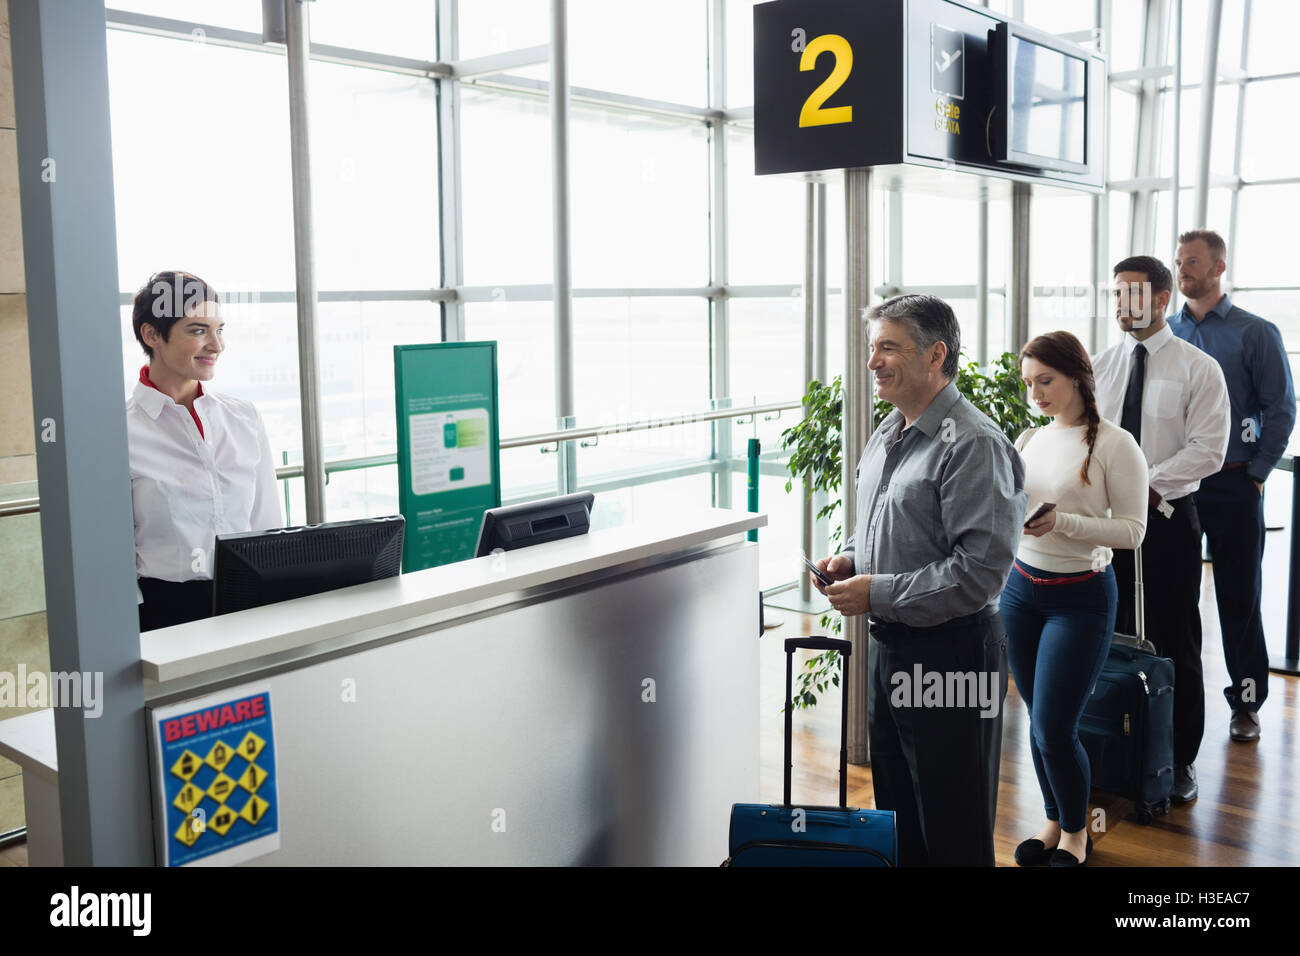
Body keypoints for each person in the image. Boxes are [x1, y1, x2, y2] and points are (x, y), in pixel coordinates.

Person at [812, 294, 1026, 867]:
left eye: (888, 347)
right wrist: (851, 560)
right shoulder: (889, 432)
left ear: (935, 355)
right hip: (892, 648)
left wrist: (876, 590)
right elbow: (881, 529)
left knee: (952, 825)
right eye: (871, 347)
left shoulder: (975, 444)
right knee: (899, 814)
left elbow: (977, 574)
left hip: (954, 654)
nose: (873, 361)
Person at [1003, 331, 1148, 867]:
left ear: (1076, 377)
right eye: (1029, 383)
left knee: (1054, 728)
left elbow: (1133, 531)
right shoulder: (1028, 439)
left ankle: (1076, 834)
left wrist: (1060, 522)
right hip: (1021, 592)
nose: (1035, 394)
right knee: (1038, 721)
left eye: (1045, 381)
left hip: (1079, 598)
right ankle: (1053, 817)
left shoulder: (1114, 443)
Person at [1092, 255, 1230, 804]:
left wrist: (1145, 483)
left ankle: (1178, 759)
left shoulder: (1199, 368)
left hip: (1169, 521)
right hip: (1105, 524)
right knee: (1108, 632)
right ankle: (1114, 750)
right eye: (1117, 294)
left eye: (1135, 294)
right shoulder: (1099, 366)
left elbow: (1210, 450)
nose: (1124, 305)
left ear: (1163, 298)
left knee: (1174, 637)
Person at [1169, 229, 1296, 742]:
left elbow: (1281, 408)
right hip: (1176, 488)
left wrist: (1260, 472)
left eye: (1193, 262)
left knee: (1239, 600)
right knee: (1173, 597)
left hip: (1233, 484)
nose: (1183, 271)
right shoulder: (1167, 335)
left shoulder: (1255, 332)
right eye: (1178, 262)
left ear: (1219, 267)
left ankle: (1246, 704)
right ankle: (1170, 698)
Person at [127, 271, 282, 631]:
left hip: (249, 602)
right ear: (152, 335)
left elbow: (267, 525)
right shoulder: (119, 432)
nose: (216, 345)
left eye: (219, 330)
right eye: (198, 330)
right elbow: (111, 553)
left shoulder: (244, 417)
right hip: (164, 612)